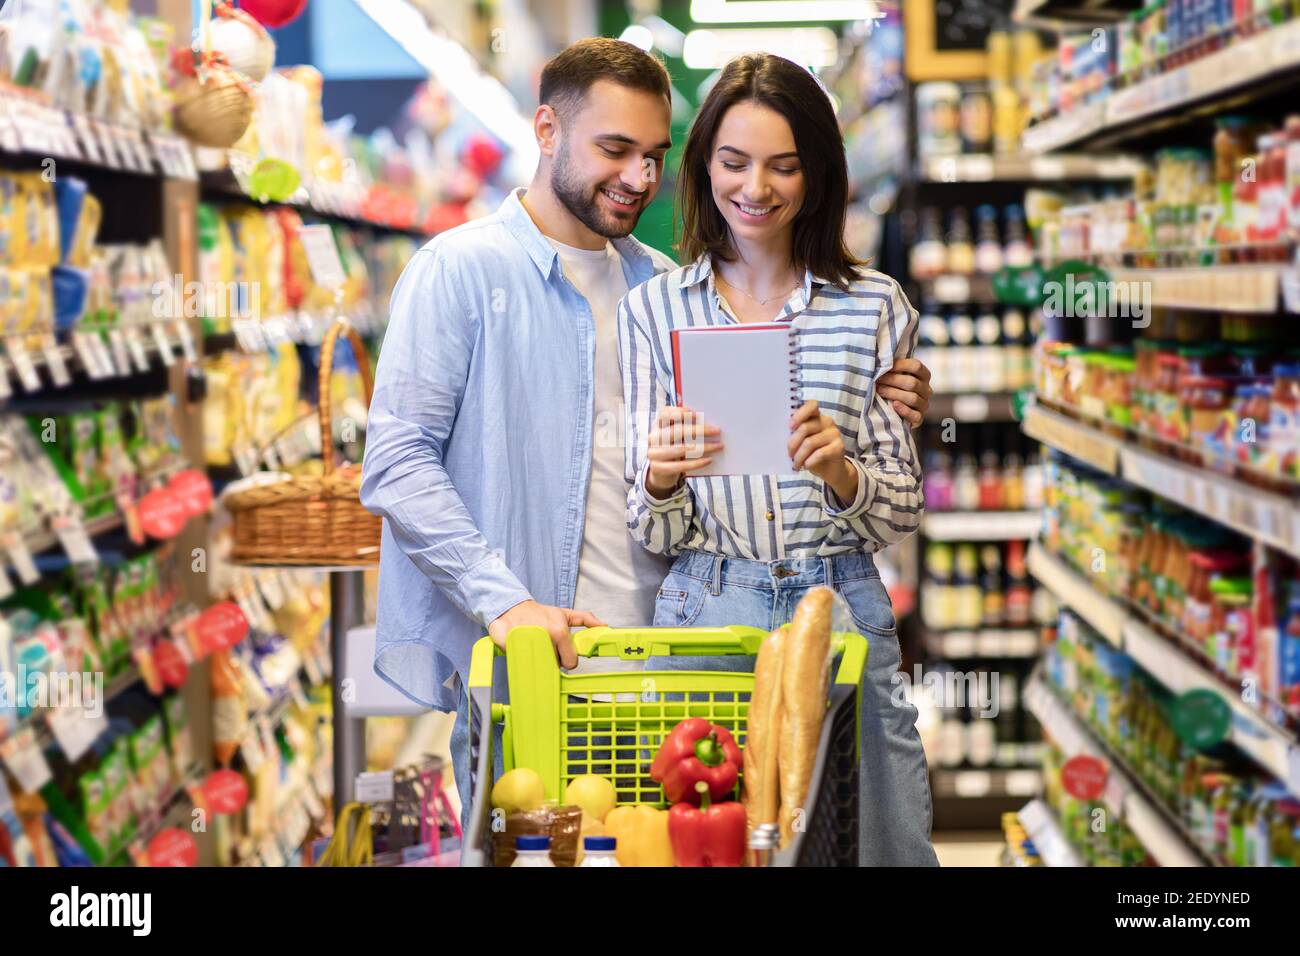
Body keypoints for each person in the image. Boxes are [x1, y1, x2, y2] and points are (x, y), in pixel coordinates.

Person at [359, 38, 933, 832]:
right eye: (615, 149)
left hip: (676, 658)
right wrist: (507, 602)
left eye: (654, 155)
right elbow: (394, 462)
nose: (638, 177)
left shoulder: (661, 287)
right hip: (540, 665)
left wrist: (887, 392)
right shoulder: (460, 271)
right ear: (547, 130)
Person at [618, 53, 938, 866]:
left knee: (886, 845)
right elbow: (651, 527)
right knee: (711, 845)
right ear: (703, 167)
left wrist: (842, 473)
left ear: (817, 173)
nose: (755, 188)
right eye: (733, 162)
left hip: (841, 602)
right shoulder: (655, 309)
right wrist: (661, 475)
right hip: (706, 607)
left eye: (783, 166)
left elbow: (901, 510)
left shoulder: (874, 306)